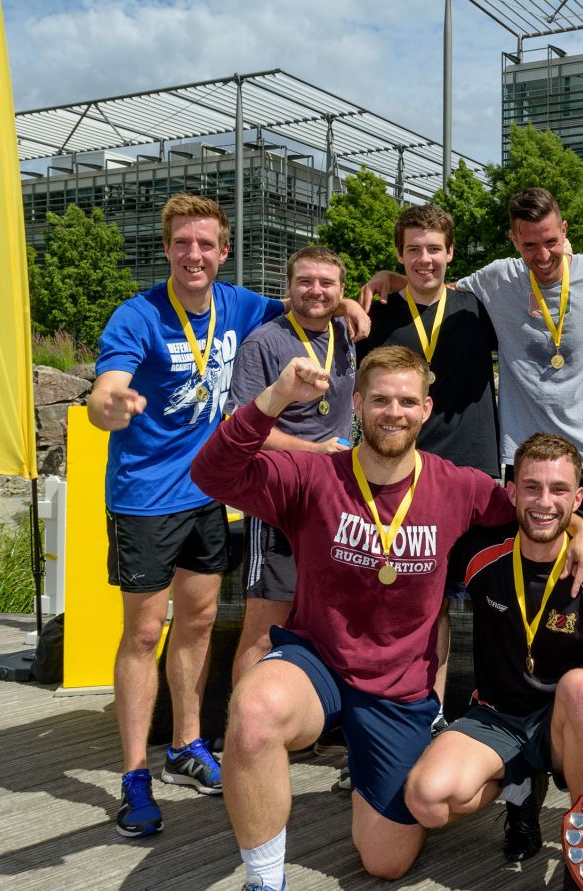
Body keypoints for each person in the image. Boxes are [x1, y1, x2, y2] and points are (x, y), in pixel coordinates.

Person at [189, 346, 583, 891]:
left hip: (398, 690)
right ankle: (264, 889)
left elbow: (536, 506)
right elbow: (212, 473)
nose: (394, 412)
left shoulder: (456, 485)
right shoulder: (313, 476)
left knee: (385, 861)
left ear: (426, 409)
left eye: (407, 400)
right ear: (357, 405)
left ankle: (509, 775)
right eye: (380, 399)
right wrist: (274, 398)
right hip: (319, 663)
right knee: (253, 710)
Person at [87, 193, 287, 838]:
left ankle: (186, 746)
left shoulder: (238, 304)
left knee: (198, 622)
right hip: (145, 500)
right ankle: (134, 775)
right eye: (181, 243)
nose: (193, 254)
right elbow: (105, 391)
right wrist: (109, 405)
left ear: (223, 251)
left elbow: (306, 304)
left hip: (207, 496)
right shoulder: (137, 315)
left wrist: (359, 299)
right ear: (167, 248)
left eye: (205, 244)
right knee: (144, 633)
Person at [405, 433, 583, 891]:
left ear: (577, 498)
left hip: (566, 726)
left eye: (559, 490)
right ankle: (521, 788)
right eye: (532, 487)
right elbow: (425, 598)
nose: (544, 501)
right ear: (511, 491)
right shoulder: (479, 554)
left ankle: (582, 869)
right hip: (496, 716)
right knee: (426, 798)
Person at [364, 186, 583, 566]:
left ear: (564, 230)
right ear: (514, 240)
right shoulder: (497, 279)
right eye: (530, 245)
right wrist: (390, 277)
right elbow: (435, 287)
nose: (543, 255)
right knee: (532, 575)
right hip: (526, 456)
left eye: (551, 241)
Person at [358, 203, 501, 736]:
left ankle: (493, 715)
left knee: (490, 597)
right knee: (419, 604)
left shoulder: (477, 308)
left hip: (474, 473)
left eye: (434, 249)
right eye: (413, 250)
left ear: (451, 253)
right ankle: (423, 714)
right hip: (403, 473)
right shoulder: (378, 314)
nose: (425, 259)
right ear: (399, 255)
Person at [225, 246, 357, 686]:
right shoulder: (264, 342)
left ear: (341, 290)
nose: (315, 290)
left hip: (336, 501)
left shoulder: (347, 333)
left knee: (330, 624)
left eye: (326, 283)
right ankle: (241, 719)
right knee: (265, 628)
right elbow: (244, 428)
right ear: (289, 286)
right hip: (279, 499)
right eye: (305, 281)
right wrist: (314, 451)